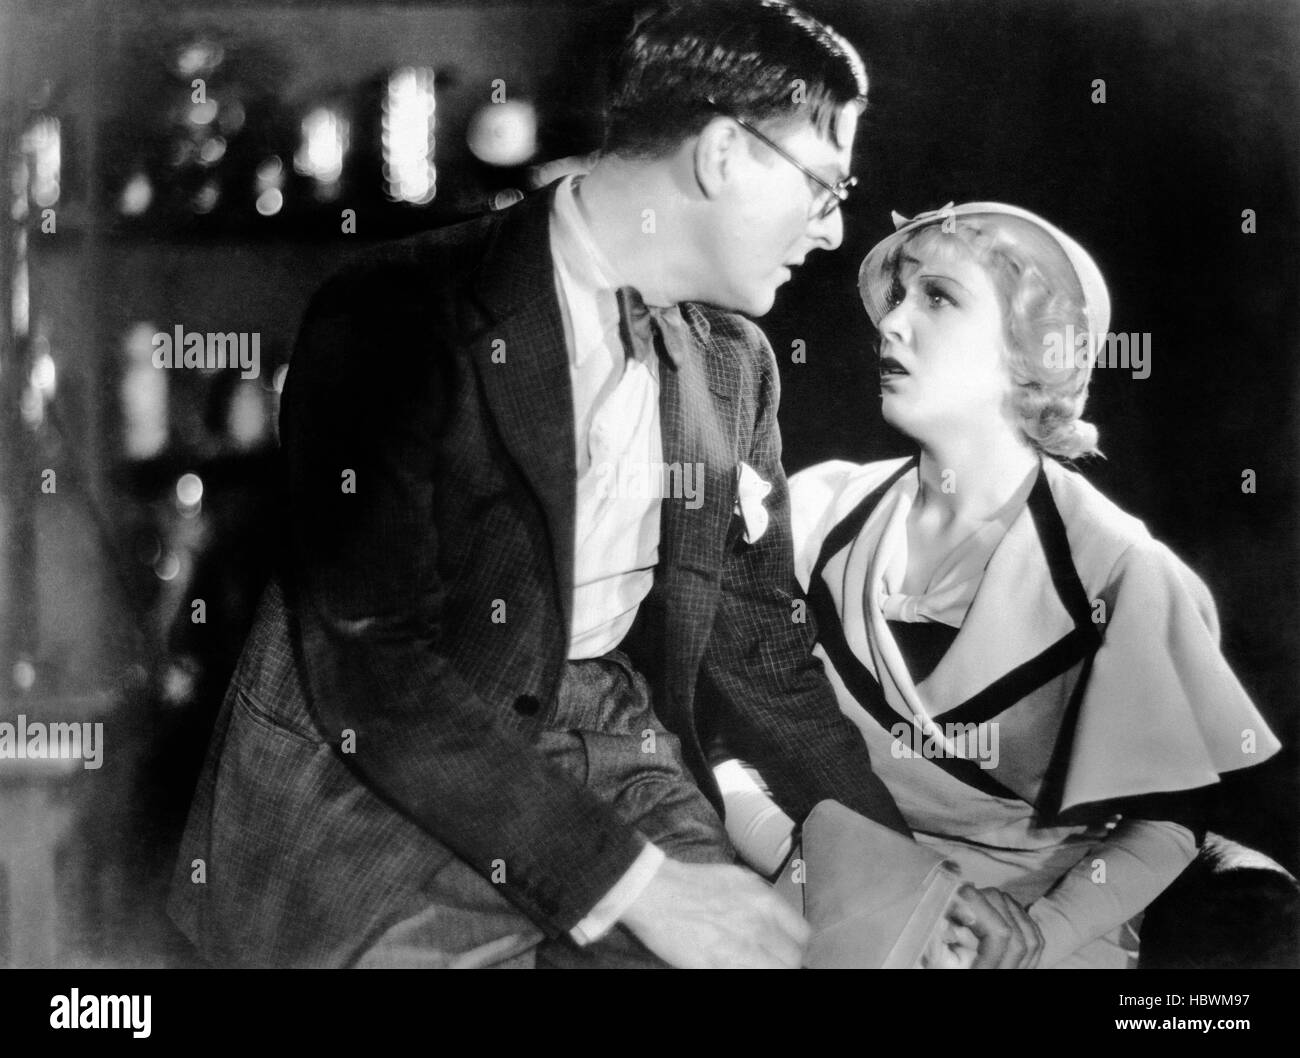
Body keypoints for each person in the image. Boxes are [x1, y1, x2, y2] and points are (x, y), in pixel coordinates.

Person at [168, 1, 1034, 970]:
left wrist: (909, 872)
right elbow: (379, 676)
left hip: (619, 748)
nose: (832, 233)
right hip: (379, 780)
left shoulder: (735, 364)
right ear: (722, 155)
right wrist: (643, 888)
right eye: (825, 186)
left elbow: (763, 657)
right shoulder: (394, 312)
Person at [716, 201, 1283, 967]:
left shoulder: (1120, 571)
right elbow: (714, 742)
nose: (891, 325)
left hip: (1024, 929)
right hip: (814, 886)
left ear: (1032, 347)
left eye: (939, 297)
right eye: (898, 297)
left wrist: (1038, 936)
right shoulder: (816, 512)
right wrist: (821, 864)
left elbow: (1169, 821)